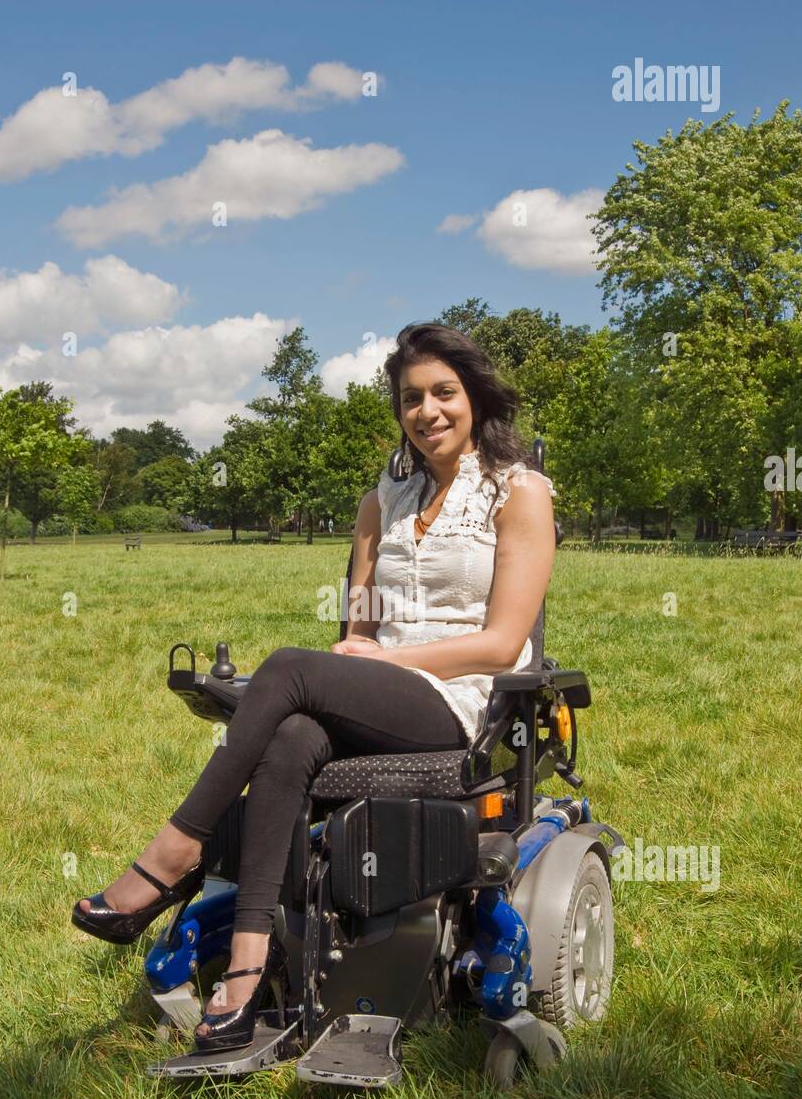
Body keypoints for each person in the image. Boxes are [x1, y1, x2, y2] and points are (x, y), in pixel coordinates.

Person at [71, 322, 557, 1053]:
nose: (427, 411)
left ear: (474, 398)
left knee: (290, 667)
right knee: (293, 733)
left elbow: (501, 641)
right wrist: (361, 657)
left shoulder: (519, 493)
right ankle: (244, 969)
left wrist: (379, 663)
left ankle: (171, 856)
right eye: (410, 398)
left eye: (443, 394)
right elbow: (355, 626)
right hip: (375, 693)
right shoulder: (380, 504)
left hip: (462, 700)